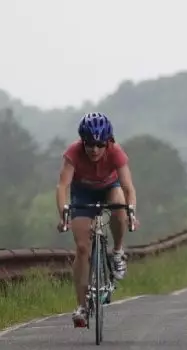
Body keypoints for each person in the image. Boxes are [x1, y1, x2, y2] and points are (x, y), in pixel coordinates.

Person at [55, 112, 138, 327]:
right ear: (82, 141)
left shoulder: (116, 152)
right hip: (82, 194)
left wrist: (132, 213)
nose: (94, 150)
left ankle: (118, 251)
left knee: (119, 203)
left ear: (108, 142)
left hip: (109, 189)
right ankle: (82, 306)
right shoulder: (73, 153)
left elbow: (128, 187)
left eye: (100, 145)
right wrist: (63, 215)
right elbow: (63, 185)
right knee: (82, 249)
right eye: (89, 144)